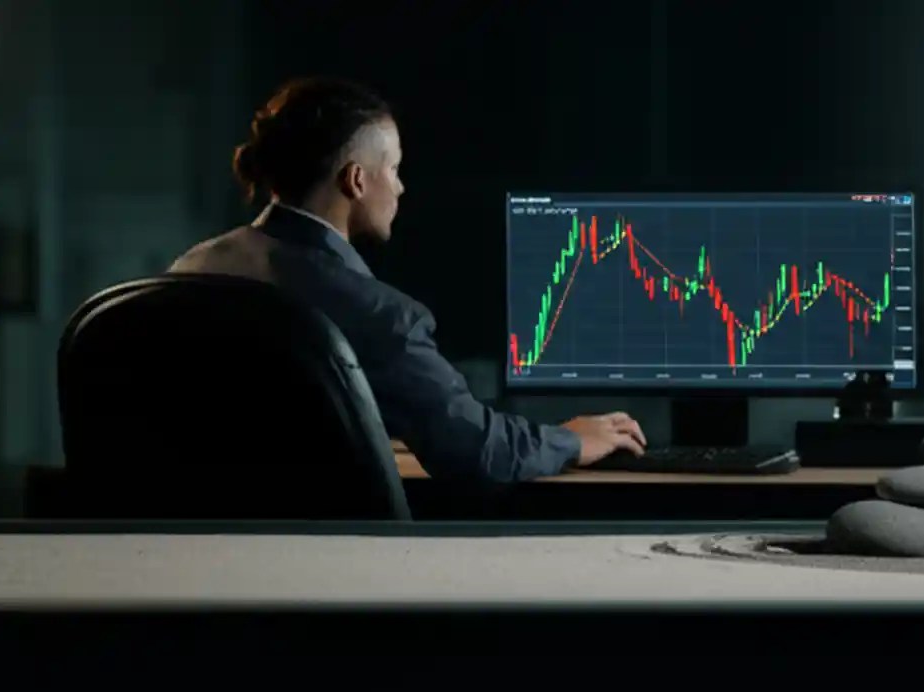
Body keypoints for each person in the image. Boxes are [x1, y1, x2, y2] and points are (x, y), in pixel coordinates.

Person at [169, 76, 646, 483]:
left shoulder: (190, 269)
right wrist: (570, 440)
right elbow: (478, 450)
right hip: (321, 561)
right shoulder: (377, 315)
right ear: (356, 180)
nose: (400, 186)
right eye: (393, 169)